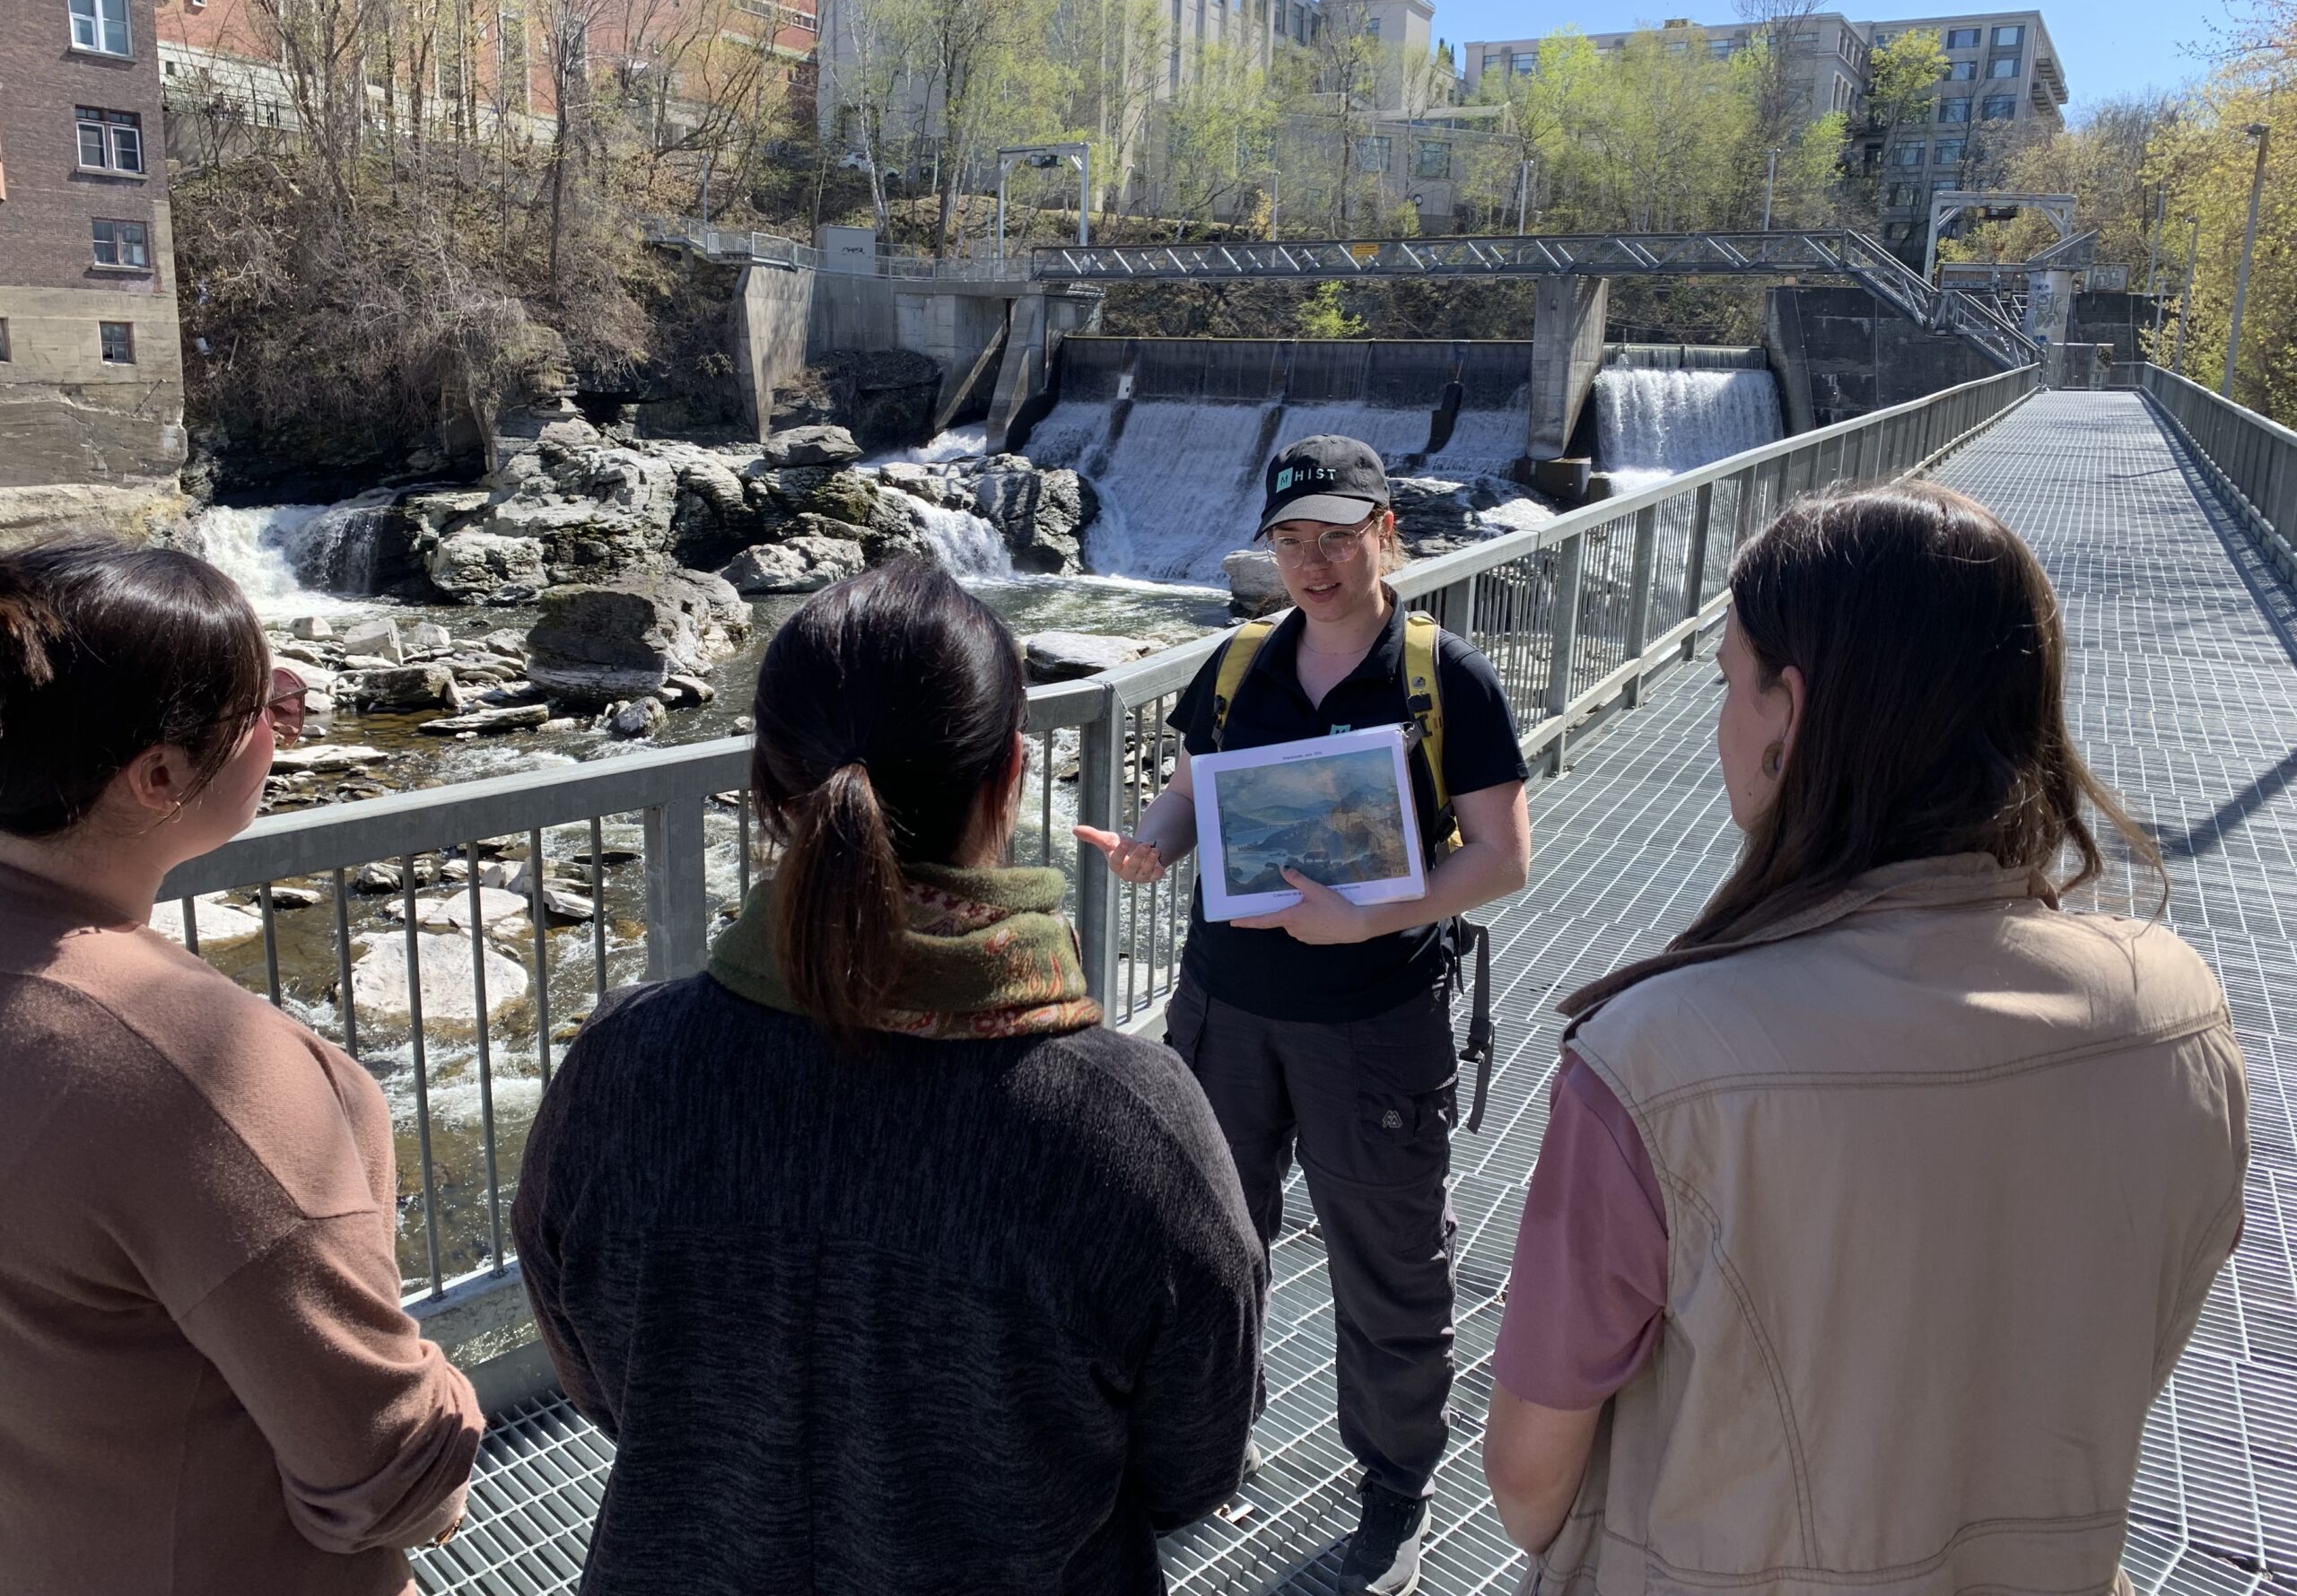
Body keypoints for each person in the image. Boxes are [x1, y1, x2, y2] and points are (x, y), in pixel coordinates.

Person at [1480, 484, 2247, 1590]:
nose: (1719, 725)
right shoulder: (2177, 1010)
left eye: (1727, 686)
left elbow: (1526, 1480)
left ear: (1787, 714)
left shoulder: (1654, 1058)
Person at [512, 558, 1264, 1595]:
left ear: (771, 786)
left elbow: (600, 1378)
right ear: (1009, 773)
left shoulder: (624, 1067)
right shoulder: (1134, 1124)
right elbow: (1192, 1462)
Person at [1079, 436, 1533, 1596]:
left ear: (1388, 534)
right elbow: (1190, 788)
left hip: (1374, 1020)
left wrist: (1375, 922)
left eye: (1338, 537)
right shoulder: (1236, 665)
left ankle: (1395, 1489)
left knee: (1388, 1264)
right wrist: (1151, 843)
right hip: (1224, 1008)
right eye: (1291, 539)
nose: (1313, 563)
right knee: (1210, 1248)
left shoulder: (1446, 680)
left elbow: (1501, 860)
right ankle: (1213, 1450)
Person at [0, 538, 484, 1596]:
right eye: (270, 708)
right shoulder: (190, 1073)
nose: (289, 724)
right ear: (160, 775)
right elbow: (391, 1476)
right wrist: (449, 1394)